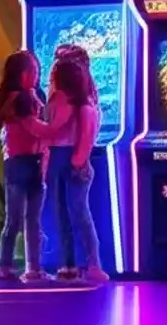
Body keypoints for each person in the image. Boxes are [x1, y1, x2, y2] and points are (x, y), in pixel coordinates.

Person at [27, 58, 108, 283]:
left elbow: (55, 128)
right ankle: (72, 264)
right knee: (66, 211)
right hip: (62, 157)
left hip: (68, 158)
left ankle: (88, 263)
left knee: (77, 212)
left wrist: (32, 124)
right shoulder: (74, 102)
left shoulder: (70, 102)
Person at [0, 50, 48, 282]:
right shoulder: (16, 98)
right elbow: (26, 125)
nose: (35, 75)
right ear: (20, 74)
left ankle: (33, 266)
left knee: (32, 219)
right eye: (31, 71)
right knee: (14, 218)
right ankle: (4, 265)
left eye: (36, 71)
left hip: (35, 160)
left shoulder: (34, 95)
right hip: (18, 161)